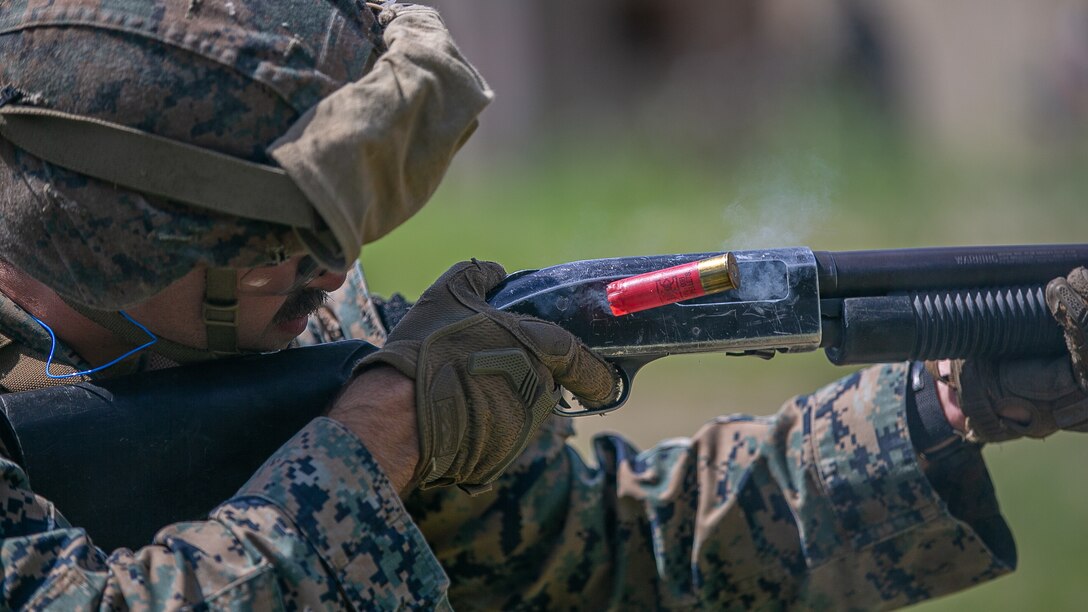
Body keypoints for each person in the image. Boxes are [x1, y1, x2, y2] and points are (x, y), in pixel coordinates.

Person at [0, 1, 1085, 609]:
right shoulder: (358, 412)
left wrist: (947, 406)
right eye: (270, 250)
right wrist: (381, 436)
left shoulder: (294, 332)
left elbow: (612, 560)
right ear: (108, 237)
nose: (328, 277)